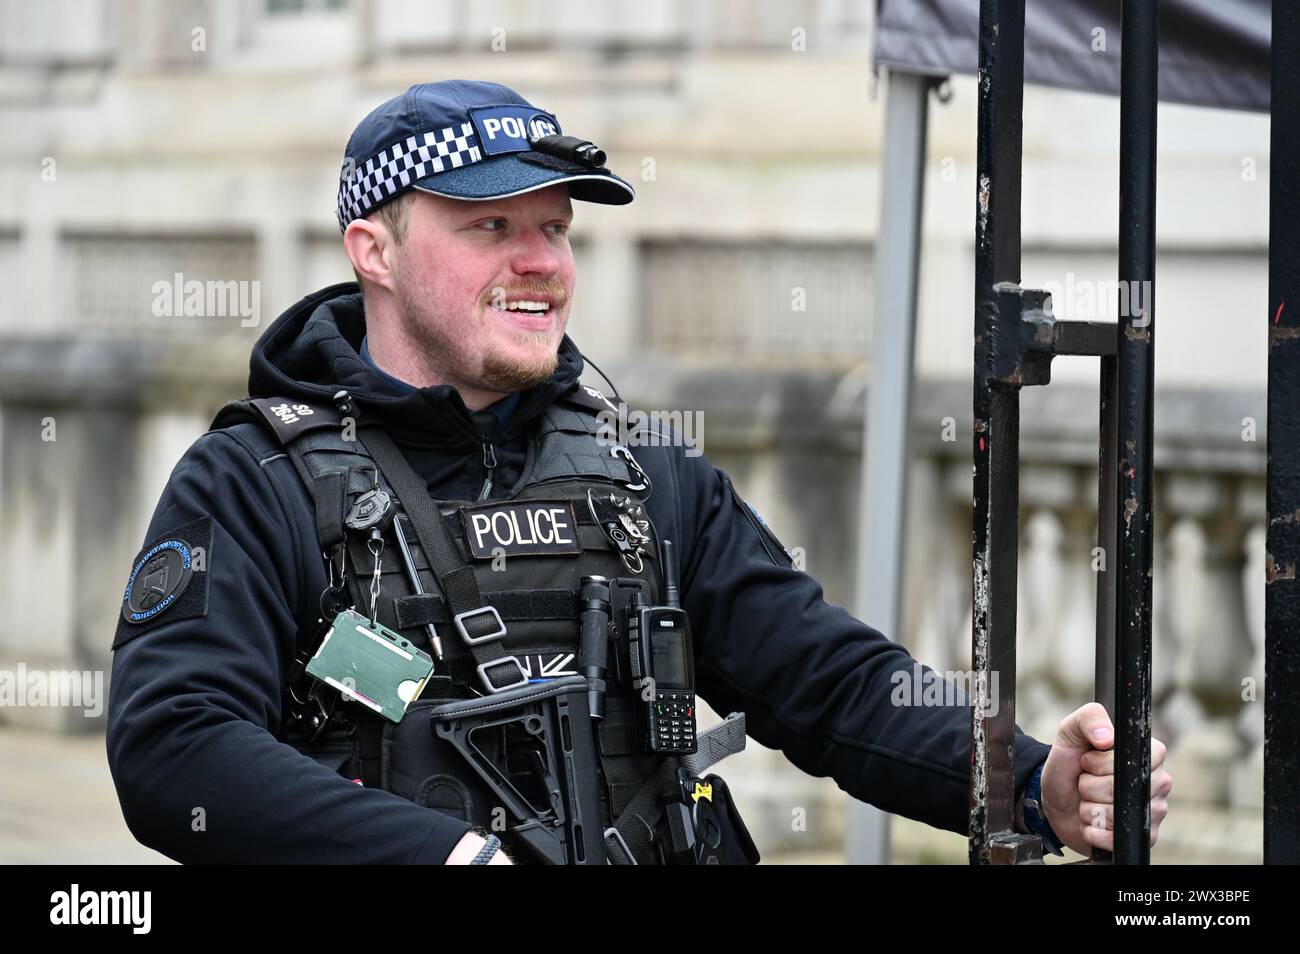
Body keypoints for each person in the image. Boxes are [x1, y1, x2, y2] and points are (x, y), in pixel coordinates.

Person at [106, 79, 1171, 865]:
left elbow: (829, 684)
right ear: (373, 251)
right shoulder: (255, 479)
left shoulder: (643, 471)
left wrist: (1029, 779)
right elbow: (176, 747)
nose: (541, 263)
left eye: (555, 230)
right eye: (490, 227)